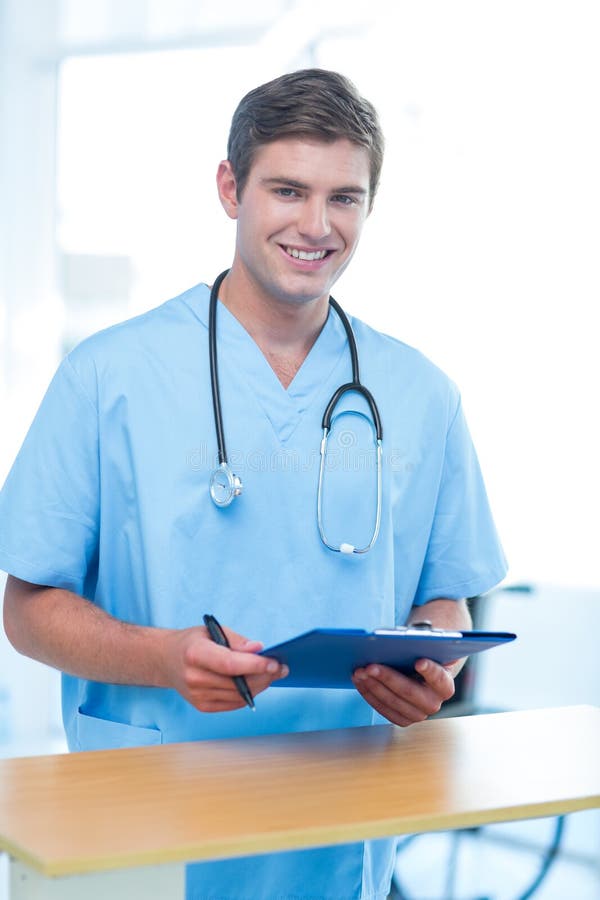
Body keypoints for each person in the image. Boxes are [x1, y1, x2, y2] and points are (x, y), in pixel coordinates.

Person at [0, 69, 507, 900]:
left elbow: (444, 598)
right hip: (147, 818)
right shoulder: (108, 376)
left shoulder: (420, 392)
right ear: (230, 189)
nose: (316, 225)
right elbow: (27, 610)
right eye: (288, 190)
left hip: (338, 825)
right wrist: (163, 659)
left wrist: (427, 665)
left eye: (345, 197)